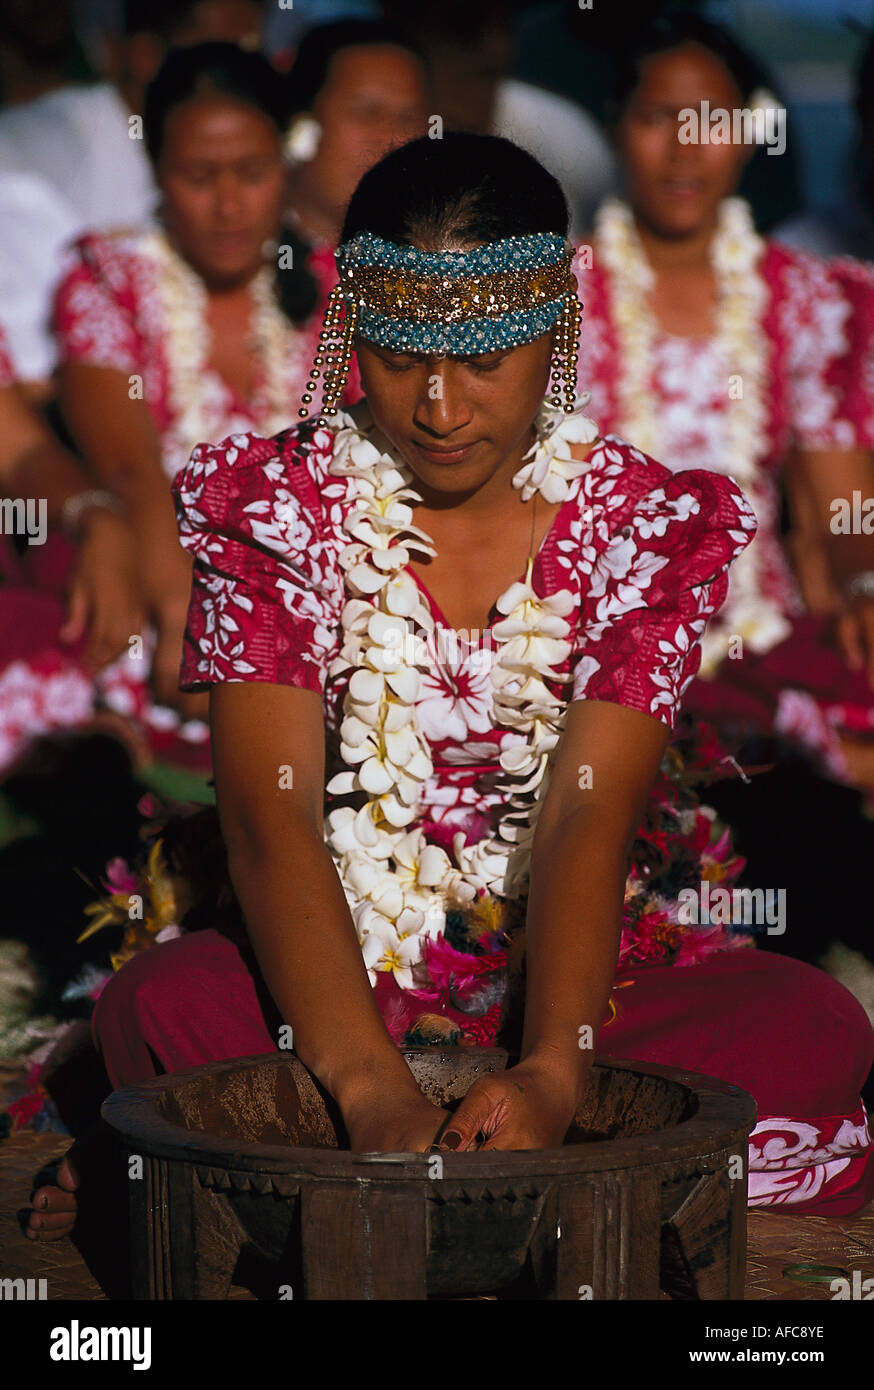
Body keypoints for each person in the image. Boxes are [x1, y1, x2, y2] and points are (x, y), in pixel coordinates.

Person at [26, 134, 873, 1246]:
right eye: (398, 353)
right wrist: (369, 1086)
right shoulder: (275, 506)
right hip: (326, 972)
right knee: (163, 1004)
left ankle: (382, 1163)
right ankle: (553, 1174)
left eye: (482, 357)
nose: (437, 406)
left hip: (576, 977)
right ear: (348, 332)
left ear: (555, 329)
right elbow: (265, 813)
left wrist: (555, 1074)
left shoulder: (641, 527)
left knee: (811, 1020)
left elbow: (584, 813)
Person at [0, 42, 320, 778]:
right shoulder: (108, 276)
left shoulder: (331, 287)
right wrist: (188, 616)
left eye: (253, 172)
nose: (230, 204)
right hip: (163, 588)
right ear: (154, 171)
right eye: (199, 176)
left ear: (289, 162)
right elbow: (130, 466)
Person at [574, 13, 874, 789]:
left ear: (748, 132)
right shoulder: (558, 298)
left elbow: (845, 513)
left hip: (761, 634)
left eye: (710, 121)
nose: (684, 149)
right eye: (655, 118)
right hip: (594, 643)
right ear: (614, 129)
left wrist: (865, 589)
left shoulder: (802, 298)